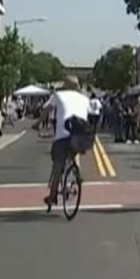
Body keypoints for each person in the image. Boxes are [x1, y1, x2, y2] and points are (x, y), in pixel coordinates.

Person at [42, 77, 90, 208]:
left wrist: (39, 122)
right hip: (81, 135)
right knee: (75, 151)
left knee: (58, 163)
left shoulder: (59, 95)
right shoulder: (85, 99)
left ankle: (52, 196)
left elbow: (46, 109)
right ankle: (77, 171)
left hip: (63, 135)